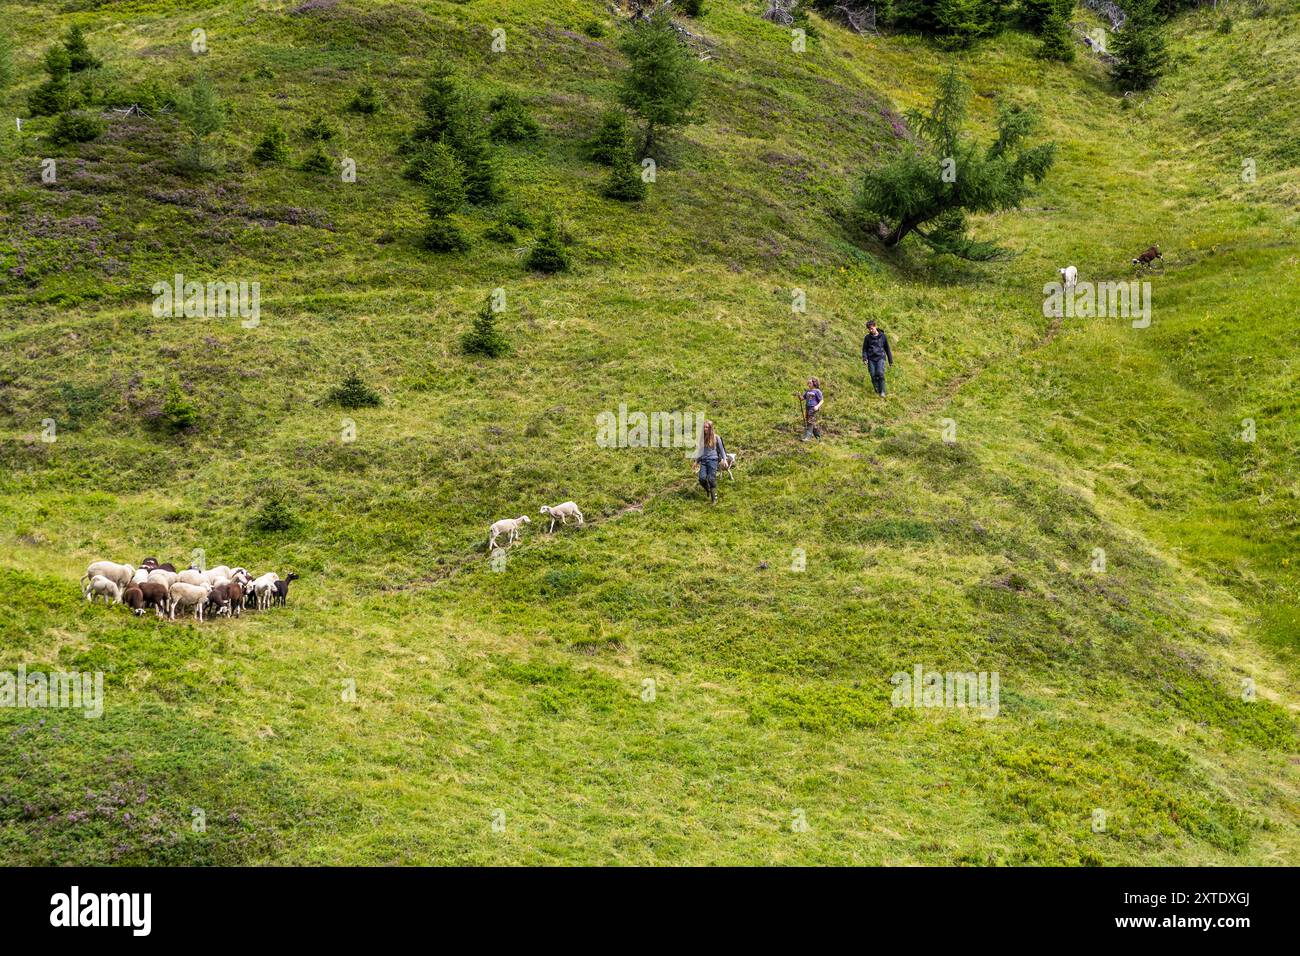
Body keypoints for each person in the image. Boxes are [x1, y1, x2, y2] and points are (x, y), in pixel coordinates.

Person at [692, 419, 727, 504]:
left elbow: (722, 449)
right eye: (704, 427)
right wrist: (696, 461)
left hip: (713, 460)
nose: (705, 429)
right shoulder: (701, 438)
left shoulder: (716, 437)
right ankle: (708, 489)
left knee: (711, 479)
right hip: (703, 460)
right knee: (702, 479)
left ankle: (714, 499)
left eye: (707, 427)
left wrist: (724, 459)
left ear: (710, 428)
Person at [861, 319, 894, 398]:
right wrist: (865, 358)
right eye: (869, 329)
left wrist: (890, 361)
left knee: (880, 373)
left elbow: (887, 349)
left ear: (875, 326)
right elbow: (864, 349)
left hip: (880, 357)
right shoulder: (867, 338)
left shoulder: (883, 336)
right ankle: (877, 390)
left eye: (872, 328)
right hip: (871, 358)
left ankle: (883, 391)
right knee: (873, 375)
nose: (871, 330)